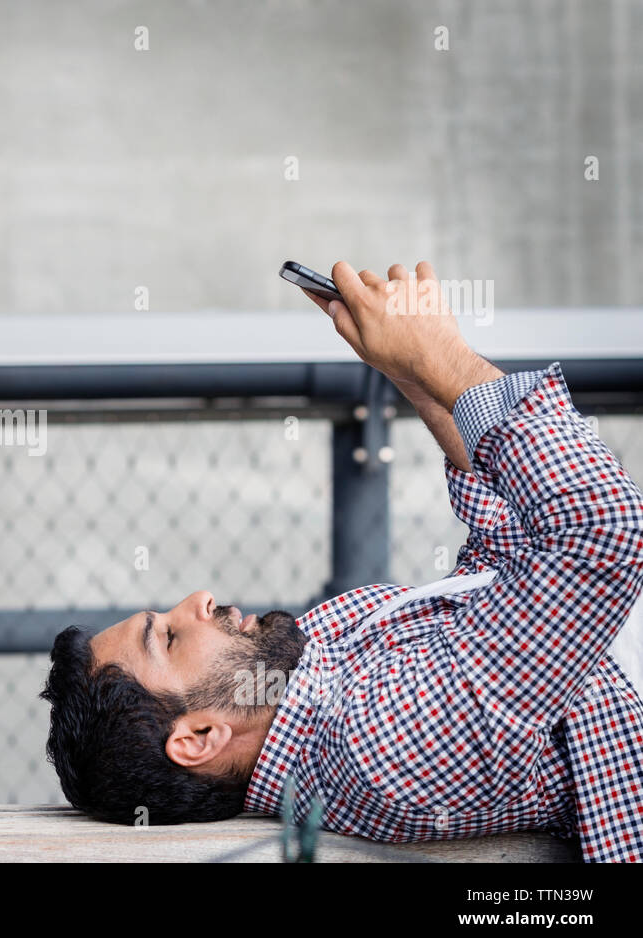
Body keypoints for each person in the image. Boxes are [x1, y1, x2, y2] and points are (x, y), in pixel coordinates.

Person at [40, 261, 643, 862]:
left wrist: (409, 374)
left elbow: (509, 555)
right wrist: (445, 358)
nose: (198, 600)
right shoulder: (376, 745)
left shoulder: (312, 660)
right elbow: (606, 535)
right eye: (168, 638)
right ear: (199, 738)